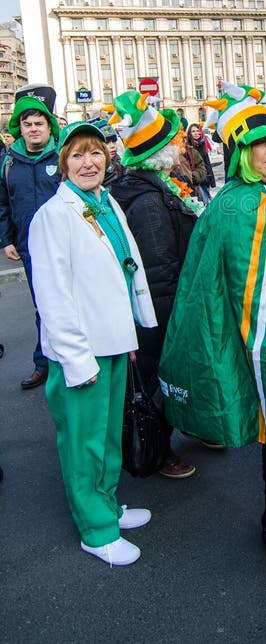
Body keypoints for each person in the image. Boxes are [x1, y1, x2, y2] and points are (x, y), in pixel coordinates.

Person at [159, 82, 266, 573]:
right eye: (259, 143)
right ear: (238, 153)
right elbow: (247, 296)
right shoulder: (241, 206)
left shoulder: (264, 194)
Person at [28, 121, 156, 566]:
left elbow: (124, 272)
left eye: (96, 153)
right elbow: (53, 297)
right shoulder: (53, 215)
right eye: (78, 155)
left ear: (107, 159)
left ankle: (107, 506)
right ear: (64, 164)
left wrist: (129, 332)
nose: (89, 162)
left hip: (113, 342)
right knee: (84, 444)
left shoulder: (104, 204)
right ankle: (96, 531)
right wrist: (77, 359)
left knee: (106, 440)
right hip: (80, 353)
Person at [110, 91, 199, 479]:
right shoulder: (147, 201)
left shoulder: (157, 186)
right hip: (159, 313)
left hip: (161, 307)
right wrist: (175, 319)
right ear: (160, 152)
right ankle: (159, 451)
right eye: (173, 142)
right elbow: (158, 271)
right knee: (155, 382)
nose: (181, 147)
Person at [0, 85, 61, 389]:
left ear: (49, 126)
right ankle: (44, 362)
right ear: (19, 128)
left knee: (71, 303)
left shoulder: (63, 157)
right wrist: (6, 239)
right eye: (27, 124)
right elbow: (2, 203)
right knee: (43, 307)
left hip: (65, 247)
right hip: (28, 249)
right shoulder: (9, 162)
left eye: (39, 123)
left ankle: (73, 360)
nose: (33, 129)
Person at [185, 123, 215, 203]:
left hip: (206, 178)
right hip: (197, 180)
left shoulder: (203, 144)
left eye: (198, 131)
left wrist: (211, 180)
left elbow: (207, 164)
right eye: (193, 131)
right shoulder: (188, 147)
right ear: (189, 134)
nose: (196, 133)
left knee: (206, 202)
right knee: (202, 202)